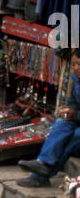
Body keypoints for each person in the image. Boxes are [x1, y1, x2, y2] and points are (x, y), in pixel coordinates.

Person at [18, 49, 80, 185]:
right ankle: (42, 163)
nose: (75, 68)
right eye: (74, 64)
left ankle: (39, 177)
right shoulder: (77, 79)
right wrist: (67, 110)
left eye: (79, 64)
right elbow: (73, 103)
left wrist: (75, 113)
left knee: (74, 137)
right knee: (60, 124)